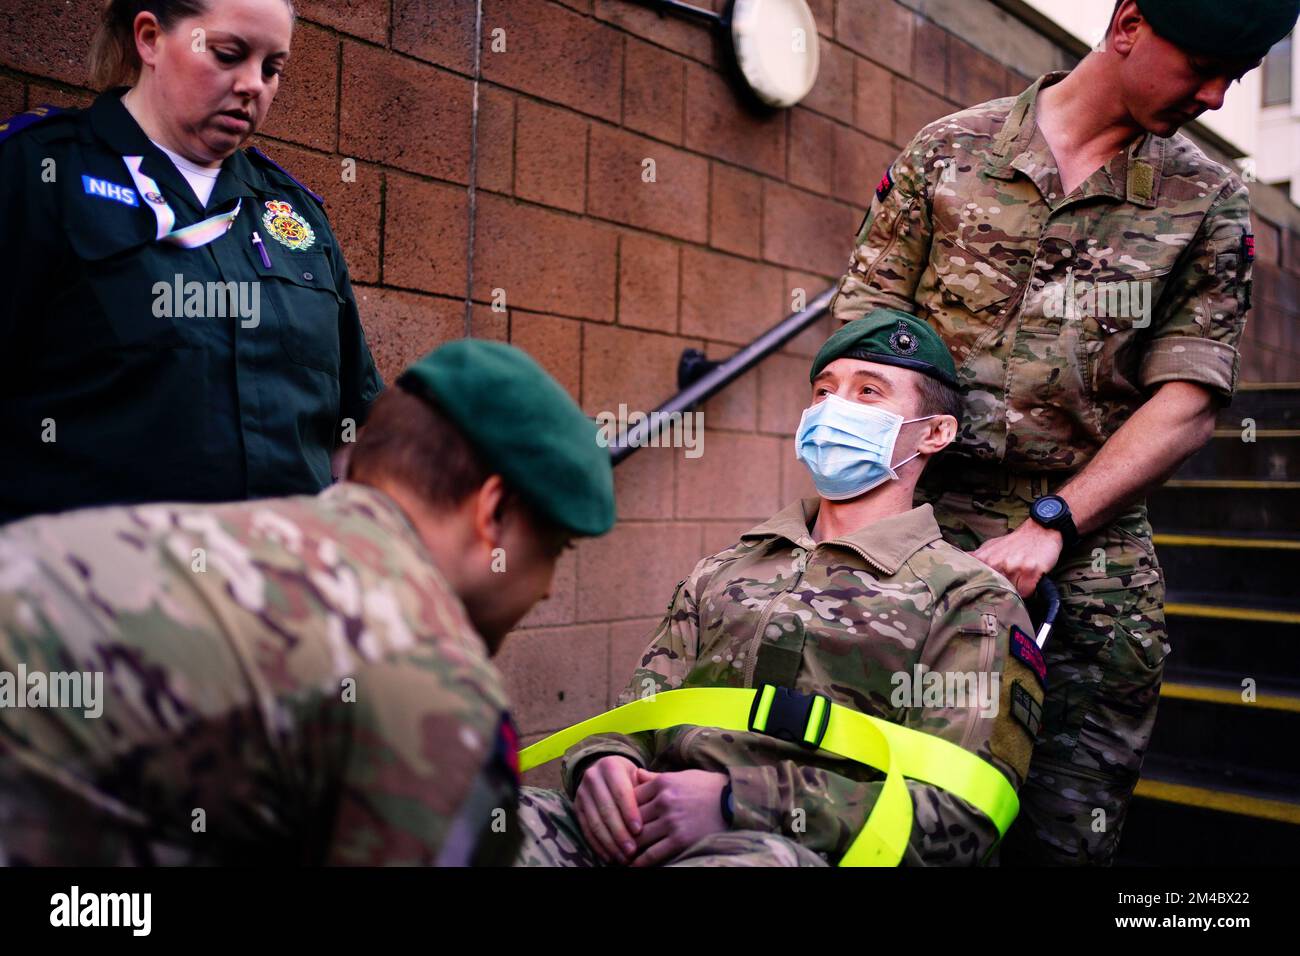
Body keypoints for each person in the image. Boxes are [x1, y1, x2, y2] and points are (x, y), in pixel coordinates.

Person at [826, 0, 1299, 864]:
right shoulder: (946, 152)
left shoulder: (1210, 200)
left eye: (1240, 73)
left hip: (1087, 577)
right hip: (910, 541)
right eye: (1204, 62)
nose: (1220, 95)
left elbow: (1189, 397)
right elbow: (861, 337)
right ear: (1128, 23)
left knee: (1062, 837)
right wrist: (868, 521)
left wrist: (1053, 523)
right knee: (870, 815)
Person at [0, 339, 616, 866]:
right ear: (494, 511)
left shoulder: (238, 539)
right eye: (556, 550)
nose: (548, 588)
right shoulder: (432, 680)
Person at [515, 310, 1045, 867]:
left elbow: (964, 817)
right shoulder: (721, 571)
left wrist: (738, 803)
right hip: (640, 832)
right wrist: (603, 761)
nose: (834, 410)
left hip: (794, 851)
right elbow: (638, 717)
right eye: (823, 391)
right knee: (482, 817)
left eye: (868, 392)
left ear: (935, 432)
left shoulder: (970, 600)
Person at [0, 0, 382, 524]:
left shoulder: (295, 214)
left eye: (272, 69)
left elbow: (350, 427)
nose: (254, 85)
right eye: (228, 55)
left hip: (279, 593)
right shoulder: (38, 173)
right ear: (150, 38)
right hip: (104, 592)